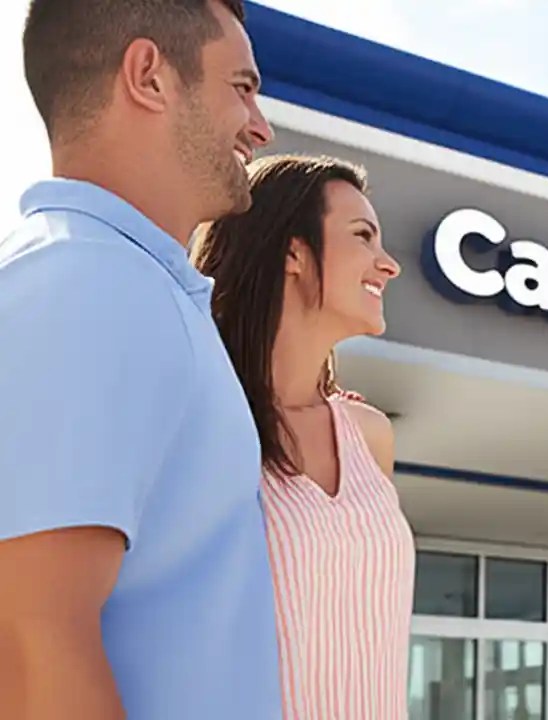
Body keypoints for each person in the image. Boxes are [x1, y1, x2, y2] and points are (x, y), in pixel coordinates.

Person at [0, 1, 279, 719]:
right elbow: (30, 650)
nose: (261, 125)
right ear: (149, 75)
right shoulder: (85, 282)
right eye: (241, 88)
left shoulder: (127, 288)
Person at [190, 153, 412, 720]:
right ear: (293, 250)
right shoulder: (201, 421)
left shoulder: (369, 436)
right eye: (363, 236)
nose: (388, 265)